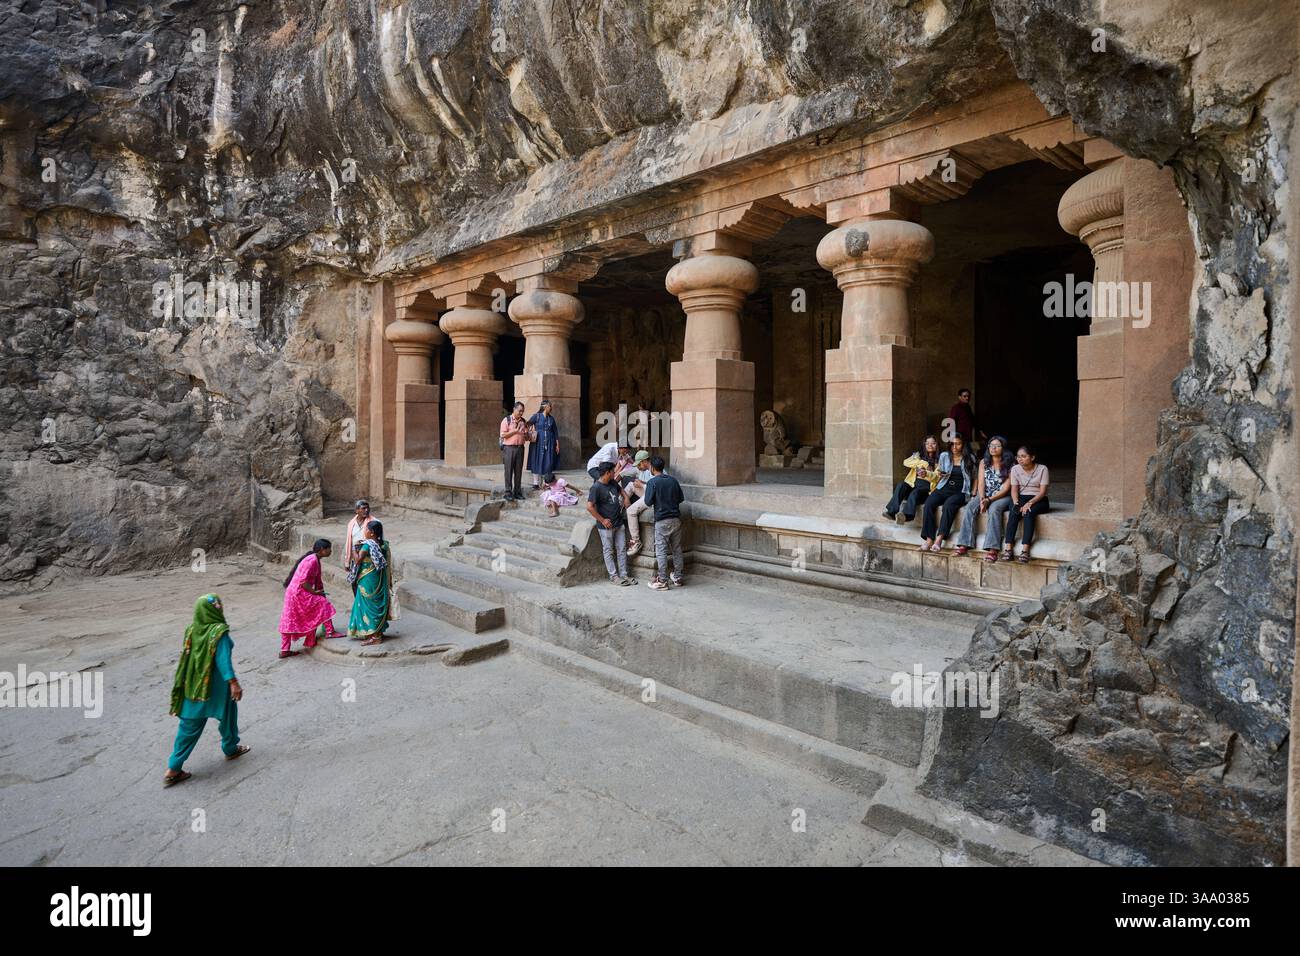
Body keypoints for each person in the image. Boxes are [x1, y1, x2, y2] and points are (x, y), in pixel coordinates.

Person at [163, 594, 250, 787]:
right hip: (219, 688)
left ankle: (173, 768)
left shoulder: (192, 629)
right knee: (227, 717)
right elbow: (223, 660)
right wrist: (233, 683)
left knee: (188, 727)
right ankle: (230, 749)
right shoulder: (219, 632)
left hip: (194, 686)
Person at [953, 435, 1013, 560]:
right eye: (991, 445)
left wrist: (989, 500)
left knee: (994, 509)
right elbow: (981, 483)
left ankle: (993, 548)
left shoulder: (1010, 464)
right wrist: (981, 499)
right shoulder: (983, 462)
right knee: (969, 507)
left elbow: (1006, 488)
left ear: (1004, 448)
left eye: (997, 446)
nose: (993, 448)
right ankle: (965, 543)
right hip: (985, 493)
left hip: (1002, 496)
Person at [278, 538, 339, 658]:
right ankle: (330, 632)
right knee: (323, 604)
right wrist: (316, 593)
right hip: (299, 593)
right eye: (329, 549)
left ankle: (285, 649)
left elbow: (317, 581)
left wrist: (320, 592)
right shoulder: (312, 561)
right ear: (322, 550)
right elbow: (303, 582)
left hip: (292, 593)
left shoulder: (314, 559)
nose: (331, 551)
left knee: (289, 619)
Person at [920, 434, 975, 552]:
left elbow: (975, 477)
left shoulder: (970, 458)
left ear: (963, 445)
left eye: (958, 444)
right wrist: (937, 474)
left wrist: (973, 494)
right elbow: (938, 472)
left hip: (961, 491)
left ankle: (939, 540)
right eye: (952, 444)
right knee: (929, 503)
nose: (954, 446)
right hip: (943, 487)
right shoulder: (944, 456)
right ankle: (929, 539)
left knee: (949, 505)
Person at [586, 461, 636, 586]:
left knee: (622, 549)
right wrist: (602, 520)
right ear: (607, 473)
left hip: (618, 522)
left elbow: (621, 491)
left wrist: (626, 498)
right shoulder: (596, 487)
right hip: (606, 526)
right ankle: (614, 576)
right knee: (608, 550)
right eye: (613, 471)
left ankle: (624, 574)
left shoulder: (613, 482)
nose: (615, 473)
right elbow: (589, 507)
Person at [1002, 445, 1051, 563]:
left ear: (1032, 457)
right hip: (1020, 498)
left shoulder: (1042, 469)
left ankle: (1025, 550)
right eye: (1018, 457)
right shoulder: (1015, 469)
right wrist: (1016, 503)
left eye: (1023, 456)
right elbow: (1014, 490)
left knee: (1029, 513)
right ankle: (1008, 548)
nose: (1020, 459)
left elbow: (1043, 492)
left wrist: (1030, 503)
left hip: (1038, 499)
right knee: (1014, 513)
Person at [348, 520, 393, 645]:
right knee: (376, 603)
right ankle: (376, 632)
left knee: (368, 605)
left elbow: (357, 560)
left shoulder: (367, 545)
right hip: (378, 578)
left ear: (372, 533)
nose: (365, 532)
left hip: (367, 579)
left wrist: (353, 550)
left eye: (366, 529)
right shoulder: (383, 545)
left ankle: (375, 637)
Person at [643, 456, 685, 591]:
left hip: (662, 521)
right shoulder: (673, 481)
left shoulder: (652, 482)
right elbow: (680, 498)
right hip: (676, 519)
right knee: (677, 549)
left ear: (652, 468)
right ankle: (678, 577)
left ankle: (662, 580)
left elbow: (648, 502)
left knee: (661, 551)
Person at [884, 436, 940, 523]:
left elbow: (936, 477)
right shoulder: (918, 456)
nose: (930, 445)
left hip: (926, 489)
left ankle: (906, 516)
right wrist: (924, 463)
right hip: (913, 484)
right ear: (924, 445)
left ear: (937, 445)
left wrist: (926, 473)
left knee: (915, 493)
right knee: (901, 484)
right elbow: (906, 462)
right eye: (927, 443)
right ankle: (891, 512)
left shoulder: (941, 459)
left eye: (933, 443)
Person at [624, 450, 655, 556]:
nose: (638, 466)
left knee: (631, 511)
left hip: (653, 498)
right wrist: (641, 484)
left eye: (639, 464)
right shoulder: (646, 470)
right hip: (647, 492)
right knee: (631, 484)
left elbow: (656, 489)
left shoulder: (656, 469)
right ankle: (617, 506)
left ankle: (636, 541)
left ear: (645, 461)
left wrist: (642, 485)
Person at [527, 399, 561, 493]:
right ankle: (536, 483)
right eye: (550, 406)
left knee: (548, 461)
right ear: (545, 407)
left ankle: (547, 483)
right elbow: (528, 424)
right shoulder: (536, 416)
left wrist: (557, 444)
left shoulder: (551, 419)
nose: (551, 408)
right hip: (537, 442)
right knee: (536, 460)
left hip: (550, 442)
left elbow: (555, 432)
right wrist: (530, 431)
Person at [344, 500, 376, 590]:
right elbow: (349, 542)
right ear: (357, 510)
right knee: (354, 582)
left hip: (369, 558)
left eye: (367, 508)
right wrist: (347, 561)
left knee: (367, 584)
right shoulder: (351, 524)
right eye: (363, 508)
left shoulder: (374, 522)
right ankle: (358, 603)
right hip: (355, 557)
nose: (366, 510)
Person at [500, 401, 528, 500]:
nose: (521, 413)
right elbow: (503, 435)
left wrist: (528, 434)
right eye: (520, 411)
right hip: (509, 448)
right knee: (508, 471)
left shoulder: (523, 421)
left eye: (522, 411)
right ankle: (508, 493)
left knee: (518, 471)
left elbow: (525, 435)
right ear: (514, 409)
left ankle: (517, 492)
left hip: (520, 448)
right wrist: (515, 431)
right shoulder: (506, 420)